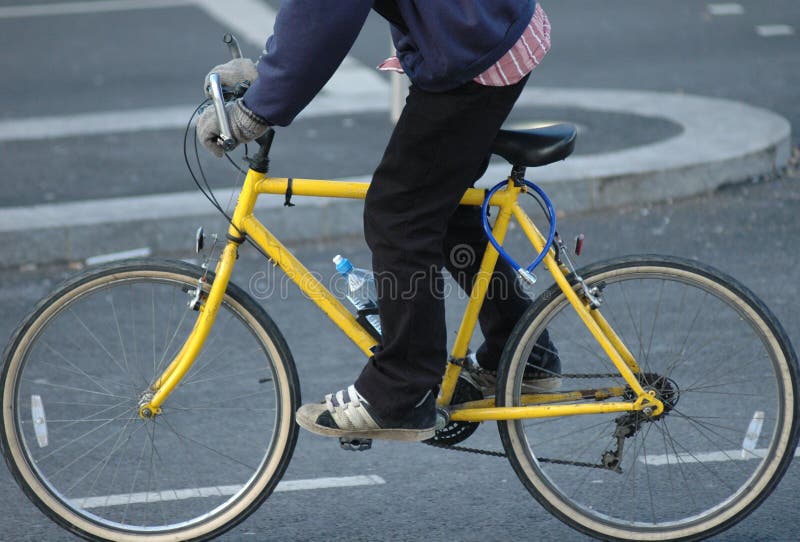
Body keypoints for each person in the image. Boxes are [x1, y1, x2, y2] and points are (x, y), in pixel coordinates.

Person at [197, 0, 560, 442]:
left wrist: (256, 109)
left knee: (400, 216)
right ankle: (525, 353)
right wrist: (268, 73)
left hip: (475, 50)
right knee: (436, 205)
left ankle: (401, 390)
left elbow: (324, 14)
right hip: (482, 33)